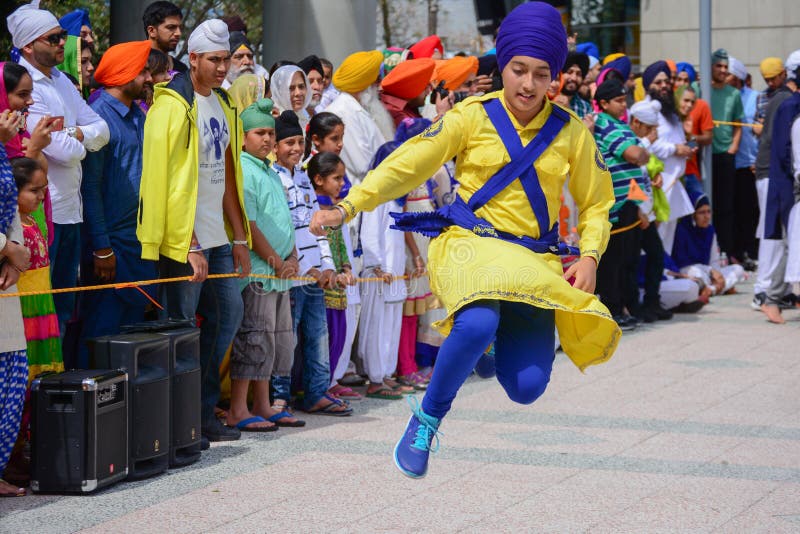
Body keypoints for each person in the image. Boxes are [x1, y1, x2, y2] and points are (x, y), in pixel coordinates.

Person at [311, 1, 619, 479]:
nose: (528, 84)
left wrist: (591, 255)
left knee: (528, 387)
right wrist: (348, 205)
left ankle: (490, 345)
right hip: (472, 244)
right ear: (504, 66)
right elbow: (408, 163)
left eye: (542, 74)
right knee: (475, 323)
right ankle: (426, 418)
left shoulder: (572, 133)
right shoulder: (471, 117)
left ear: (555, 77)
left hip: (532, 261)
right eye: (519, 70)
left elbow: (597, 201)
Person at [137, 19, 252, 442]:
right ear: (194, 59)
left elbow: (226, 175)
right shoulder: (169, 106)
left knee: (227, 317)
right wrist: (187, 243)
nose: (223, 67)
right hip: (184, 242)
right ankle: (177, 425)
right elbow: (159, 181)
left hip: (220, 239)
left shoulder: (222, 103)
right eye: (215, 60)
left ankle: (202, 415)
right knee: (181, 330)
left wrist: (240, 238)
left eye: (226, 59)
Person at [8, 1, 110, 341]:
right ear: (28, 45)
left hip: (70, 211)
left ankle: (57, 384)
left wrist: (74, 135)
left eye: (61, 37)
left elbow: (101, 128)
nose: (61, 44)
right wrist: (79, 139)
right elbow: (61, 153)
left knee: (63, 310)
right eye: (52, 38)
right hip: (38, 214)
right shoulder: (23, 85)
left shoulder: (63, 81)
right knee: (34, 310)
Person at [78, 41, 157, 367]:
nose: (150, 78)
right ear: (124, 74)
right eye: (144, 71)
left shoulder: (138, 114)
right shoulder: (97, 115)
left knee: (132, 338)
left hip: (139, 244)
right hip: (111, 247)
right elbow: (91, 188)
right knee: (102, 335)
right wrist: (102, 247)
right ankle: (92, 411)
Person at [271, 110, 351, 416]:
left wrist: (327, 265)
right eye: (288, 142)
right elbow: (284, 229)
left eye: (299, 142)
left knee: (318, 334)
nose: (295, 148)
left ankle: (316, 392)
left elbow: (317, 227)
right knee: (287, 336)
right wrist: (306, 268)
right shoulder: (273, 178)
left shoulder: (303, 177)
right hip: (294, 274)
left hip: (316, 275)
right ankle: (280, 396)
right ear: (275, 147)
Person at [229, 98, 300, 431]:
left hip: (280, 273)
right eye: (260, 133)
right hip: (260, 271)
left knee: (274, 339)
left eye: (271, 133)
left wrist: (292, 257)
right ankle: (238, 409)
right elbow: (249, 225)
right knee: (254, 338)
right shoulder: (243, 169)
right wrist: (274, 260)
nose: (268, 140)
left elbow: (284, 220)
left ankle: (262, 404)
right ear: (243, 137)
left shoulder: (270, 172)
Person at [306, 112, 362, 400]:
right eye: (334, 138)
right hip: (322, 274)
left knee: (341, 329)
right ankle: (319, 385)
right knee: (322, 334)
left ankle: (330, 380)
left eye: (342, 138)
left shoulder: (335, 183)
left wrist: (344, 265)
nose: (340, 144)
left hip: (341, 268)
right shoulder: (314, 193)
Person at [357, 140, 413, 400]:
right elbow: (369, 234)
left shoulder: (396, 196)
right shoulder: (375, 193)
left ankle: (387, 375)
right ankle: (375, 378)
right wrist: (376, 265)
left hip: (395, 274)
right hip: (379, 274)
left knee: (391, 325)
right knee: (377, 327)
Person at [593, 79, 649, 329]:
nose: (623, 104)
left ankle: (628, 306)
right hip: (616, 203)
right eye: (618, 100)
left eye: (624, 99)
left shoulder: (621, 125)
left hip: (632, 199)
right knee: (613, 260)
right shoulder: (604, 124)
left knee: (630, 258)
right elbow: (635, 155)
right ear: (603, 103)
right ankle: (613, 309)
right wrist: (643, 149)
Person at [752, 55, 796, 314]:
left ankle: (778, 289)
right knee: (772, 232)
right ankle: (763, 289)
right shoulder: (783, 100)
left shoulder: (778, 99)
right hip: (772, 173)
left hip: (771, 172)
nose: (770, 82)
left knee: (778, 233)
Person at [14, 156, 63, 380]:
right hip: (23, 310)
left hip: (43, 307)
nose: (42, 197)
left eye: (43, 190)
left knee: (43, 375)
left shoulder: (33, 221)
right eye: (34, 191)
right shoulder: (12, 231)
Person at [0, 139, 30, 498]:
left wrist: (15, 255)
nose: (20, 110)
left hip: (6, 276)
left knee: (10, 373)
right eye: (16, 98)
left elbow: (10, 216)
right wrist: (7, 247)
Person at [642, 60, 695, 254]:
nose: (663, 86)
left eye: (666, 81)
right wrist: (675, 149)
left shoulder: (669, 111)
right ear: (648, 86)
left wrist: (685, 149)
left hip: (674, 182)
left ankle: (666, 273)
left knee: (669, 237)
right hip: (657, 184)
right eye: (658, 82)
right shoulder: (644, 110)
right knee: (657, 237)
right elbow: (649, 143)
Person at [628, 99, 674, 322]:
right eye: (648, 129)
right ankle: (634, 306)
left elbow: (648, 166)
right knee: (632, 259)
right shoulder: (630, 141)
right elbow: (628, 174)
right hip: (634, 209)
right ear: (635, 123)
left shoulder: (645, 143)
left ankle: (652, 300)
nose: (652, 134)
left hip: (647, 208)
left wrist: (656, 175)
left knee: (656, 255)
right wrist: (639, 210)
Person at [325, 50, 387, 184]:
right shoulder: (344, 112)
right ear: (365, 84)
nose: (379, 85)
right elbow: (362, 164)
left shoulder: (356, 109)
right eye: (376, 80)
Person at [672, 189, 746, 297]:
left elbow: (714, 260)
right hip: (688, 272)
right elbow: (682, 265)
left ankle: (711, 289)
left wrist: (717, 275)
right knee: (697, 274)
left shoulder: (710, 231)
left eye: (708, 211)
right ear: (692, 215)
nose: (707, 216)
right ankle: (721, 288)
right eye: (702, 212)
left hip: (708, 274)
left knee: (738, 270)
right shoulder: (681, 231)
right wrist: (710, 271)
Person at [709, 49, 744, 259]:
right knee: (705, 205)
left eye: (725, 67)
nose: (723, 70)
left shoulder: (734, 94)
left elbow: (738, 124)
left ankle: (726, 251)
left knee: (726, 206)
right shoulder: (699, 89)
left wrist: (733, 148)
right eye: (718, 66)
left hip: (725, 154)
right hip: (703, 155)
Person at [727, 57, 759, 269]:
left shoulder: (755, 97)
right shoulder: (724, 96)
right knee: (733, 212)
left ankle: (752, 253)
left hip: (750, 163)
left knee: (751, 212)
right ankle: (736, 253)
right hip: (730, 162)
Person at [380, 58, 435, 127]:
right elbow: (421, 135)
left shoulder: (408, 105)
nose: (429, 92)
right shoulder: (395, 113)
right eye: (425, 87)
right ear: (411, 89)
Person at [142, 1, 188, 74]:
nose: (178, 33)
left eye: (180, 28)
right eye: (171, 27)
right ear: (151, 31)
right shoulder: (135, 64)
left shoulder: (182, 70)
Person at [269, 64, 311, 131]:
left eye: (301, 86)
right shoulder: (272, 123)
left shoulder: (304, 116)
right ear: (279, 92)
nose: (298, 93)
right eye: (291, 88)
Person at [561, 51, 593, 121]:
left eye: (578, 74)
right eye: (569, 72)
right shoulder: (546, 101)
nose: (574, 78)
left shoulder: (585, 107)